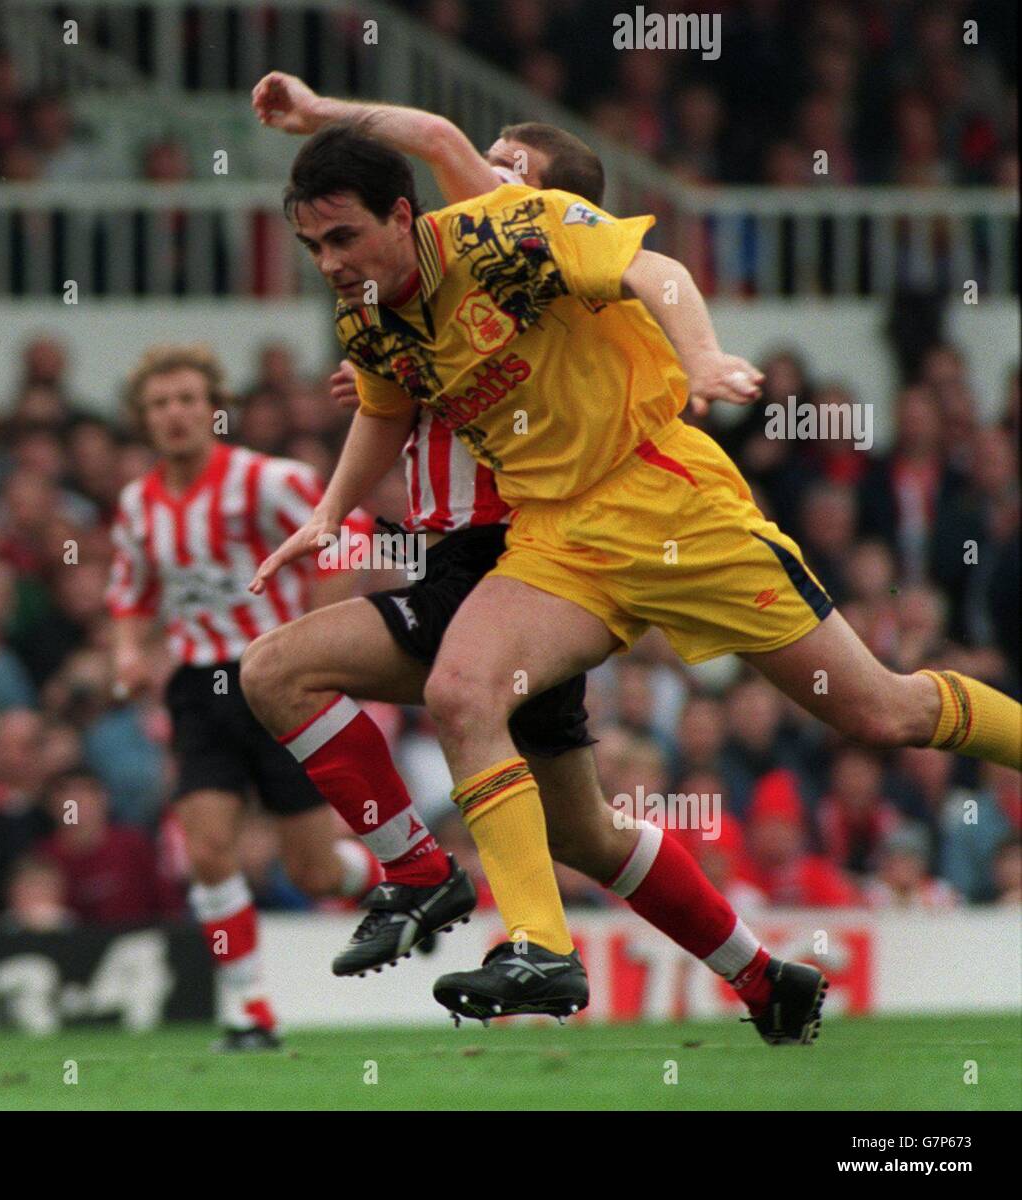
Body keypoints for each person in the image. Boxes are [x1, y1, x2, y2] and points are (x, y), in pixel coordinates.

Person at [250, 119, 1020, 1036]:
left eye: (343, 237)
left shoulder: (508, 233)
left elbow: (659, 273)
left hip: (668, 501)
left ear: (403, 213)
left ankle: (435, 883)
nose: (330, 261)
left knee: (880, 713)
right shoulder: (371, 315)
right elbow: (383, 401)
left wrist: (699, 355)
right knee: (465, 692)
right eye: (313, 246)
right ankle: (538, 945)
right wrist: (332, 512)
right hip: (555, 537)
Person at [107, 343, 383, 1051]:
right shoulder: (138, 505)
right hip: (198, 690)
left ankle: (383, 878)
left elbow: (348, 534)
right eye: (159, 403)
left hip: (276, 680)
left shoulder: (268, 481)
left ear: (213, 408)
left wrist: (317, 638)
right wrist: (130, 655)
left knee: (313, 871)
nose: (174, 414)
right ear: (144, 419)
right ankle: (249, 1009)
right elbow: (131, 593)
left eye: (186, 399)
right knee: (206, 850)